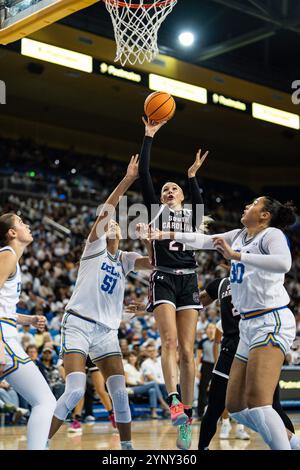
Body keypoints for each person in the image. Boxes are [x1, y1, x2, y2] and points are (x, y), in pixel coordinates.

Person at [152, 196, 297, 450]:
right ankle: (293, 442)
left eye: (252, 204)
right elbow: (205, 240)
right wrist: (165, 233)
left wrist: (236, 255)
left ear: (264, 215)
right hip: (248, 326)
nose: (246, 206)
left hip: (271, 320)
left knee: (261, 403)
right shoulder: (240, 234)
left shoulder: (271, 235)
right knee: (238, 408)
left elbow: (284, 263)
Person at [48, 155, 152, 450]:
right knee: (75, 389)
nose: (114, 225)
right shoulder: (93, 249)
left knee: (119, 392)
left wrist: (147, 240)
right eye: (111, 224)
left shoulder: (126, 260)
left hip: (106, 331)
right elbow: (107, 210)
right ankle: (40, 442)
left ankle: (127, 449)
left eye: (118, 225)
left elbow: (156, 263)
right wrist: (128, 179)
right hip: (79, 323)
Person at [138, 117, 208, 450]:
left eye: (174, 188)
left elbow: (196, 196)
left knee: (188, 353)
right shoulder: (154, 209)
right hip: (163, 277)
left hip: (189, 280)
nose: (168, 191)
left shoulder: (193, 214)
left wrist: (192, 176)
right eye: (166, 189)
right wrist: (149, 137)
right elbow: (144, 175)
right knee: (169, 342)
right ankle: (175, 402)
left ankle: (188, 416)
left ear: (181, 196)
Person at [198, 276, 300, 449]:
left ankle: (290, 442)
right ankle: (203, 447)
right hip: (231, 349)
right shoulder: (222, 284)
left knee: (272, 406)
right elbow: (196, 301)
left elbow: (279, 267)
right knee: (218, 407)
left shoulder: (258, 277)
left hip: (258, 344)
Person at [0, 213, 56, 449]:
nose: (28, 225)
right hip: (3, 337)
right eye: (22, 223)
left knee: (43, 401)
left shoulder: (12, 258)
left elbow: (5, 309)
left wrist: (30, 319)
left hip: (7, 329)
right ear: (12, 233)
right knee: (44, 401)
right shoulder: (8, 255)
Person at [124, 351, 169, 419]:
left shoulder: (139, 368)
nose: (132, 358)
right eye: (131, 356)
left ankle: (153, 413)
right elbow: (126, 381)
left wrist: (141, 383)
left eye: (134, 356)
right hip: (132, 388)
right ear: (128, 358)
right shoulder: (126, 366)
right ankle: (163, 403)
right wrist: (136, 383)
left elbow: (142, 380)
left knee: (152, 390)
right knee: (153, 383)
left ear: (136, 358)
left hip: (140, 387)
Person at [196, 323, 216, 420]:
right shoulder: (202, 342)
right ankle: (200, 413)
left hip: (217, 366)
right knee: (202, 389)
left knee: (218, 390)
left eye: (213, 328)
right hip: (206, 366)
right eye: (209, 328)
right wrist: (196, 370)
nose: (211, 330)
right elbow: (198, 357)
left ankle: (220, 414)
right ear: (206, 330)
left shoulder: (220, 341)